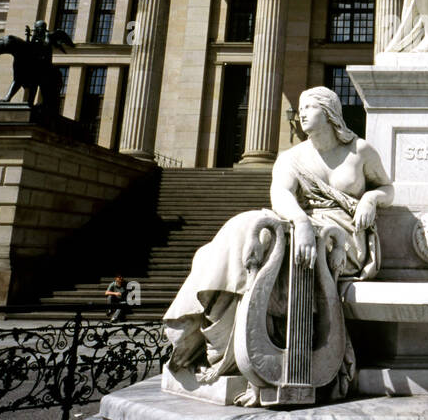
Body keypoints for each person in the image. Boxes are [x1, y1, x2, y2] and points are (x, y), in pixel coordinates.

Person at [163, 87, 394, 400]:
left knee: (280, 248)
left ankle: (256, 351)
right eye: (300, 107)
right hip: (301, 223)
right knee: (245, 227)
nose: (302, 113)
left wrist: (371, 198)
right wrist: (301, 222)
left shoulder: (360, 151)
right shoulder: (292, 158)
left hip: (342, 237)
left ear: (329, 112)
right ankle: (217, 331)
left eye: (309, 107)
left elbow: (387, 188)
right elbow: (281, 194)